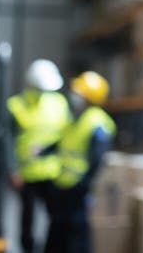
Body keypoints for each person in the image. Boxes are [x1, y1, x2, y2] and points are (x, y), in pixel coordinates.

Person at [44, 71, 115, 253]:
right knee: (57, 233)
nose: (74, 95)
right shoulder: (75, 117)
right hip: (62, 184)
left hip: (78, 189)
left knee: (76, 236)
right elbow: (63, 141)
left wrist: (85, 183)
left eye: (79, 93)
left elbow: (98, 159)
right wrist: (43, 151)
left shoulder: (98, 122)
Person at [8, 59, 71, 253]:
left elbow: (67, 137)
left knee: (57, 217)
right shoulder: (16, 105)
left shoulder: (60, 103)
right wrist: (13, 169)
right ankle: (27, 248)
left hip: (53, 172)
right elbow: (8, 140)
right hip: (26, 174)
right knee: (27, 218)